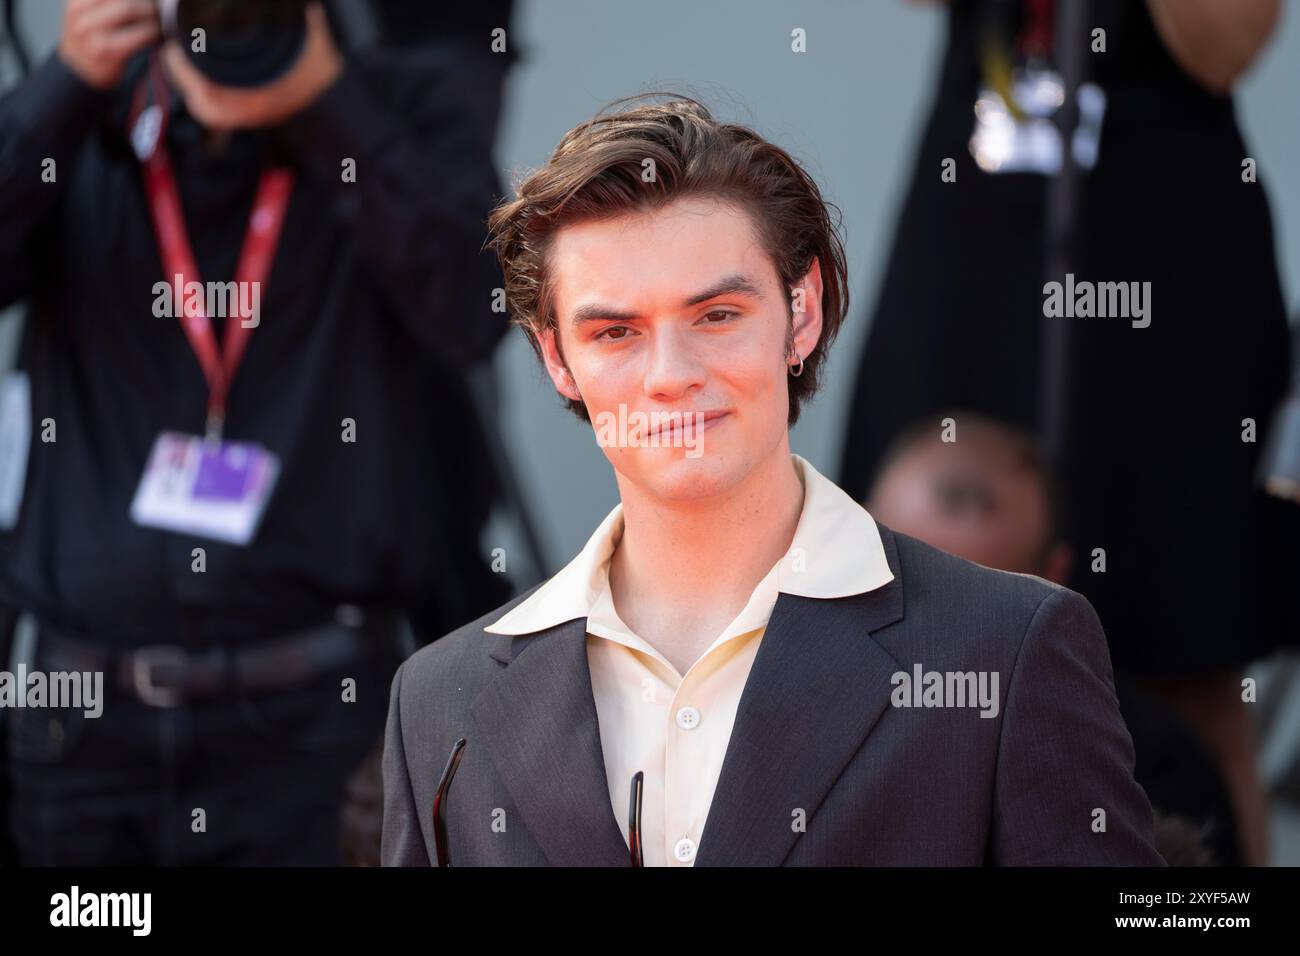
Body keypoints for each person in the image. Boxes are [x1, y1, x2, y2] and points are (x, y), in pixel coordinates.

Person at [381, 94, 1164, 867]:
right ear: (558, 360)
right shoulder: (436, 700)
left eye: (716, 315)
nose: (670, 376)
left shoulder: (1008, 647)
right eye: (615, 331)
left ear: (803, 313)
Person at [0, 0, 511, 864]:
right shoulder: (86, 121)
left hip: (312, 724)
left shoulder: (388, 102)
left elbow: (481, 310)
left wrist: (328, 104)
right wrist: (65, 83)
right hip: (80, 727)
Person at [837, 0, 1291, 865]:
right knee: (894, 602)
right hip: (977, 209)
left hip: (1163, 240)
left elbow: (1228, 44)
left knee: (1184, 634)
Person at [866, 409, 1244, 865]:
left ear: (1055, 579)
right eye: (899, 590)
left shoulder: (1148, 769)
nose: (923, 648)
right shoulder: (779, 696)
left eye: (974, 614)